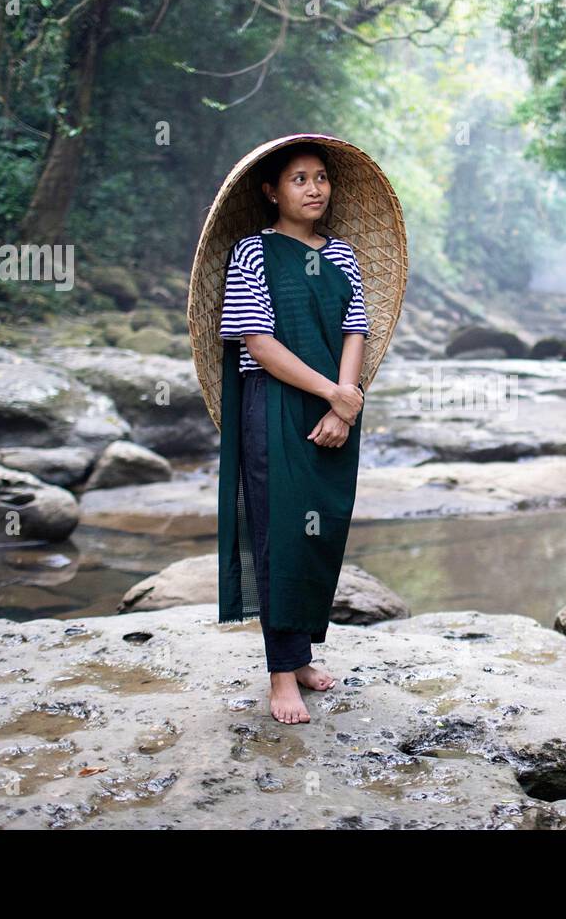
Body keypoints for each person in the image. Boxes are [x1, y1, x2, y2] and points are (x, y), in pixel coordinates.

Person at [218, 142, 369, 724]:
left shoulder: (343, 255)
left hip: (338, 408)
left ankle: (301, 652)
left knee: (320, 530)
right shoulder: (253, 252)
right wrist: (330, 392)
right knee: (280, 531)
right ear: (271, 191)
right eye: (299, 179)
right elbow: (257, 343)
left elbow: (355, 329)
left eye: (322, 178)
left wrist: (346, 403)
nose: (314, 189)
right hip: (276, 405)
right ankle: (281, 675)